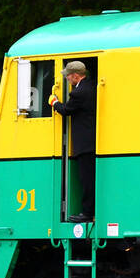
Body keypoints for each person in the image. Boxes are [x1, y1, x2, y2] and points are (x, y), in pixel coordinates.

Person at [50, 60, 95, 222]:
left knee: (86, 179)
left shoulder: (79, 93)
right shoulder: (91, 85)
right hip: (91, 142)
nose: (67, 79)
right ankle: (89, 211)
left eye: (68, 76)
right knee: (89, 178)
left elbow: (66, 110)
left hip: (85, 144)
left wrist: (54, 103)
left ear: (75, 76)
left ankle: (88, 213)